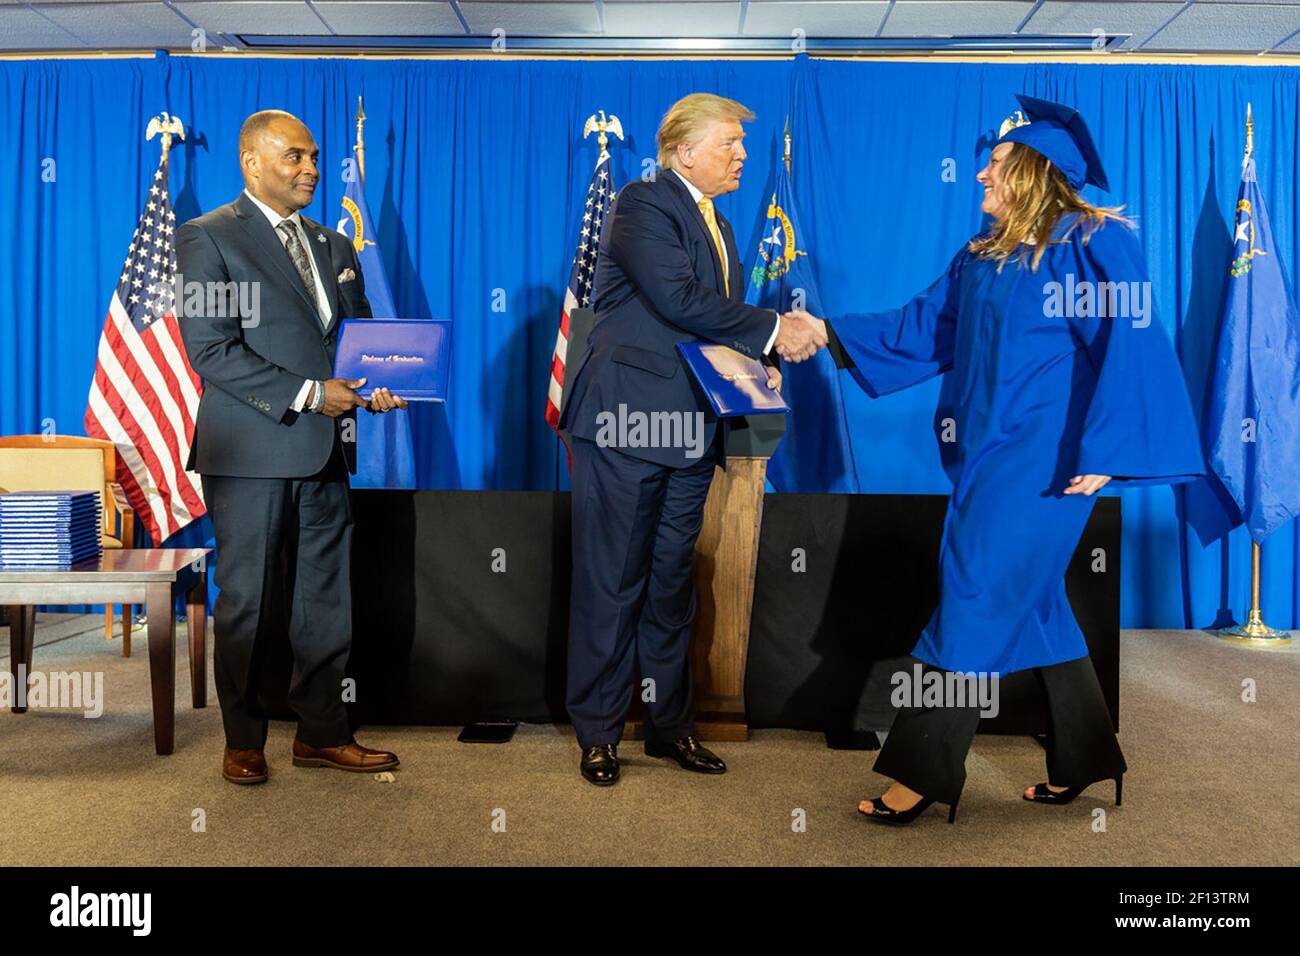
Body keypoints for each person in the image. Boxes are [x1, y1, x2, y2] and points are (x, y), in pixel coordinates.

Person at [793, 95, 1205, 824]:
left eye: (995, 165)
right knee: (1038, 607)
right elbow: (922, 328)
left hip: (1049, 468)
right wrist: (824, 330)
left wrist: (1109, 452)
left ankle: (920, 773)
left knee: (974, 597)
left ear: (1035, 172)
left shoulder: (1089, 240)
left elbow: (1133, 344)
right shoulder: (983, 255)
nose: (981, 174)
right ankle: (1086, 759)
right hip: (985, 457)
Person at [558, 92, 826, 786]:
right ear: (685, 152)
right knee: (613, 582)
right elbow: (680, 301)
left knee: (673, 583)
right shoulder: (643, 204)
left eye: (742, 143)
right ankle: (599, 731)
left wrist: (754, 359)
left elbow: (708, 328)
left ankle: (669, 727)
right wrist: (775, 330)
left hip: (689, 430)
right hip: (624, 426)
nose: (742, 154)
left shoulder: (723, 226)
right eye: (730, 143)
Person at [177, 109, 407, 785]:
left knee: (326, 598)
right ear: (252, 162)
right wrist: (311, 394)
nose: (311, 169)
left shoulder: (334, 244)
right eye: (295, 157)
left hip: (325, 451)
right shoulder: (208, 237)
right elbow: (210, 349)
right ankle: (243, 739)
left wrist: (378, 383)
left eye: (313, 157)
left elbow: (355, 340)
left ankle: (323, 733)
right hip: (249, 452)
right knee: (247, 600)